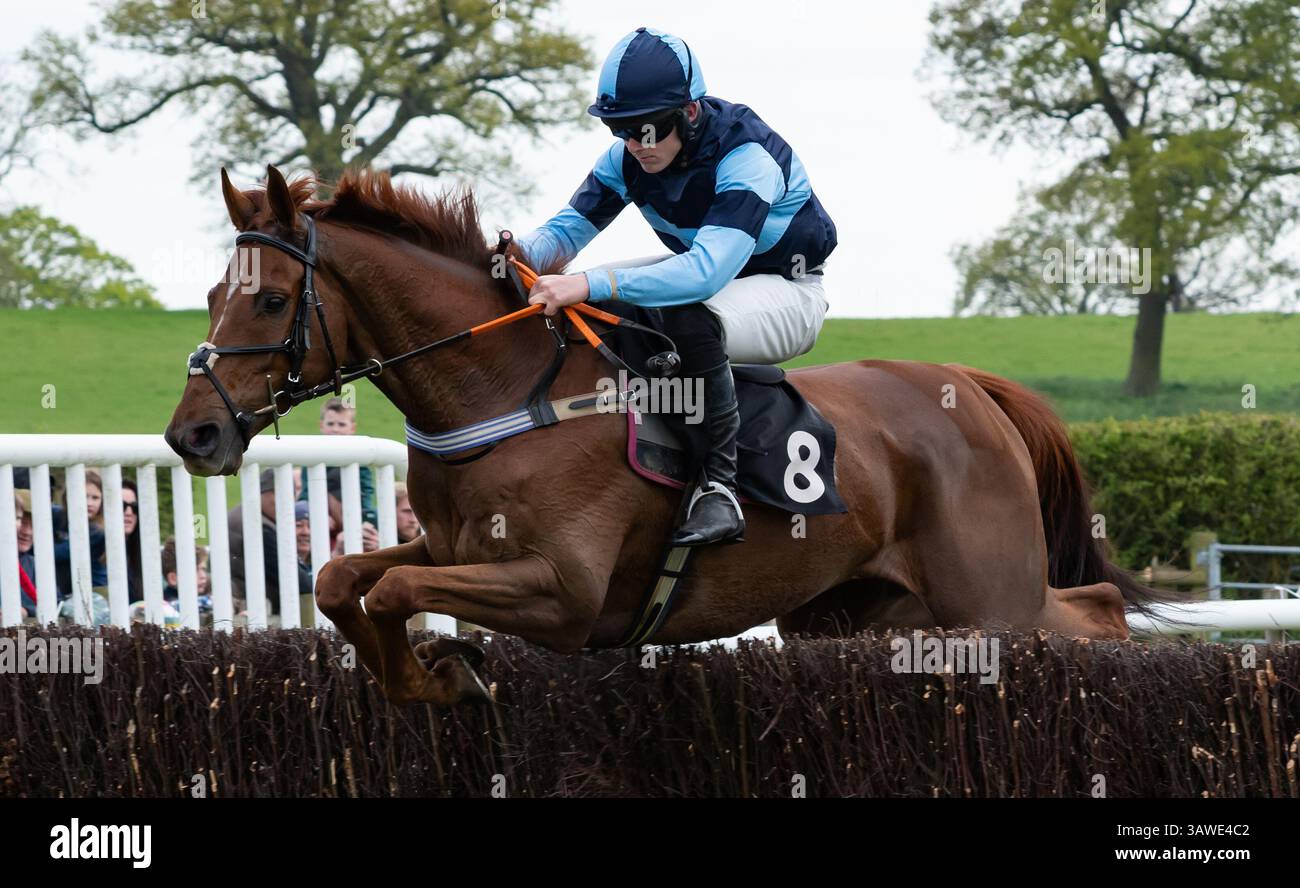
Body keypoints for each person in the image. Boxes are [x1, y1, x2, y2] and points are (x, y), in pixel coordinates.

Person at [518, 27, 837, 546]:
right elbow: (562, 235)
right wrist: (500, 257)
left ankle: (720, 488)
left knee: (679, 311)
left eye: (645, 129)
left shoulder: (747, 156)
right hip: (712, 276)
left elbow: (706, 273)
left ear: (689, 113)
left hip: (787, 291)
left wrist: (586, 282)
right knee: (605, 301)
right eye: (620, 130)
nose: (634, 145)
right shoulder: (626, 157)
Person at [227, 468, 313, 614]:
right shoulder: (258, 525)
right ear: (263, 493)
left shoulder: (247, 515)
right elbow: (296, 580)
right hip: (254, 611)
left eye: (291, 496)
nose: (286, 503)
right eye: (279, 494)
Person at [298, 399, 378, 526]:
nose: (335, 429)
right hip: (319, 514)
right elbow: (306, 494)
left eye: (341, 424)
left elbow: (366, 492)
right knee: (300, 508)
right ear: (321, 426)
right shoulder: (312, 455)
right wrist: (318, 514)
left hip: (351, 513)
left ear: (352, 428)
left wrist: (363, 518)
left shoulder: (360, 456)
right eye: (330, 424)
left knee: (374, 516)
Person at [52, 469, 108, 596]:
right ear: (69, 496)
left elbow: (60, 553)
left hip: (95, 592)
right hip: (71, 590)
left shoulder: (97, 530)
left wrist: (33, 548)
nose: (89, 503)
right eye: (84, 496)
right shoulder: (59, 515)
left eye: (95, 498)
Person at [13, 491, 39, 619]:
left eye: (33, 525)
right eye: (22, 522)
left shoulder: (35, 564)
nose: (27, 532)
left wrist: (27, 610)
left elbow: (54, 603)